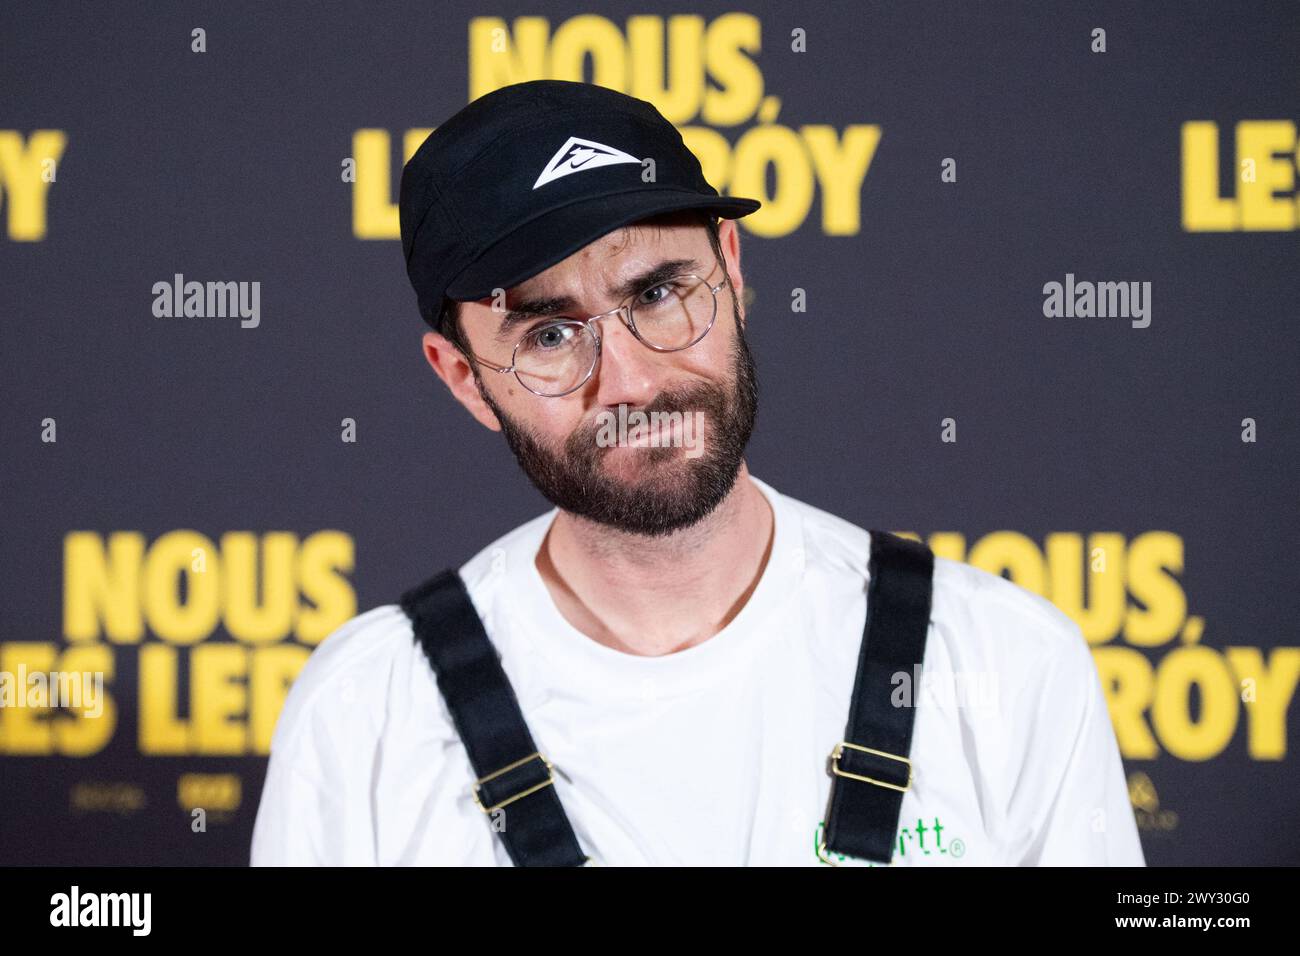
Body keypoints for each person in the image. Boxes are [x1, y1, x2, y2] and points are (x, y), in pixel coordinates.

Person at [250, 79, 1144, 867]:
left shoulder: (1004, 664)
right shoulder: (365, 716)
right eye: (549, 336)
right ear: (463, 378)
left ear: (732, 266)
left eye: (658, 293)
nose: (634, 381)